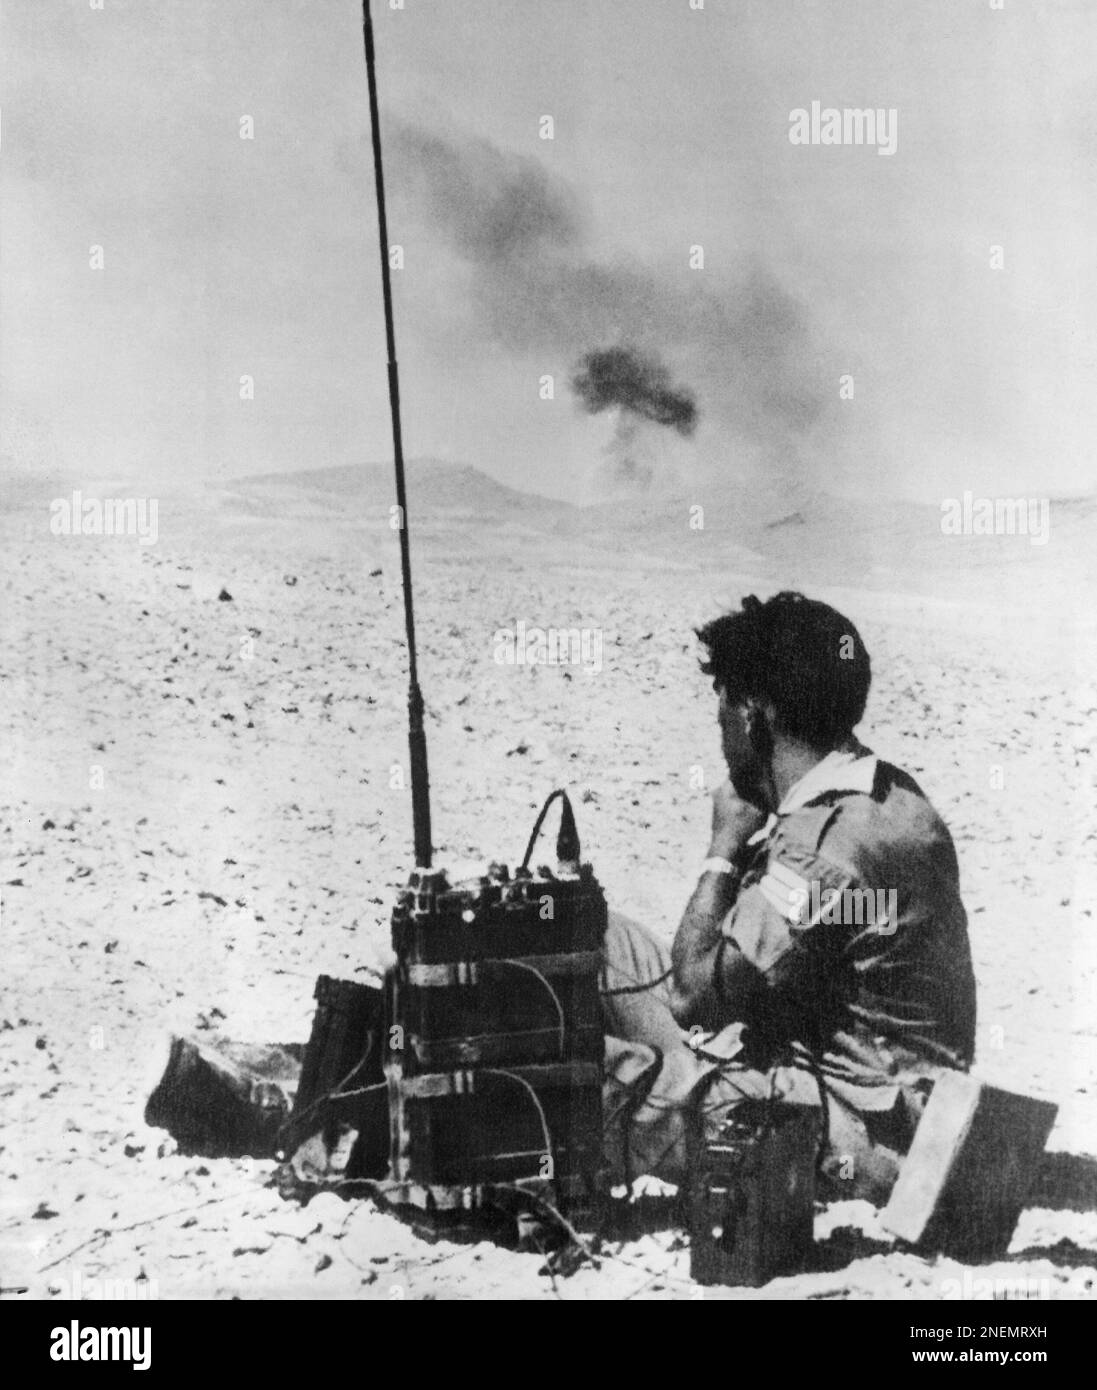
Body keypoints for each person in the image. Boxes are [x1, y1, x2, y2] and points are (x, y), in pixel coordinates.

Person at [601, 591, 977, 1202]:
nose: (723, 734)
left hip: (855, 1133)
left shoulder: (823, 846)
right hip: (864, 1086)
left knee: (572, 1084)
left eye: (723, 712)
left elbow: (695, 994)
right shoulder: (886, 794)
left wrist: (723, 847)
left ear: (753, 715)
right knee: (592, 936)